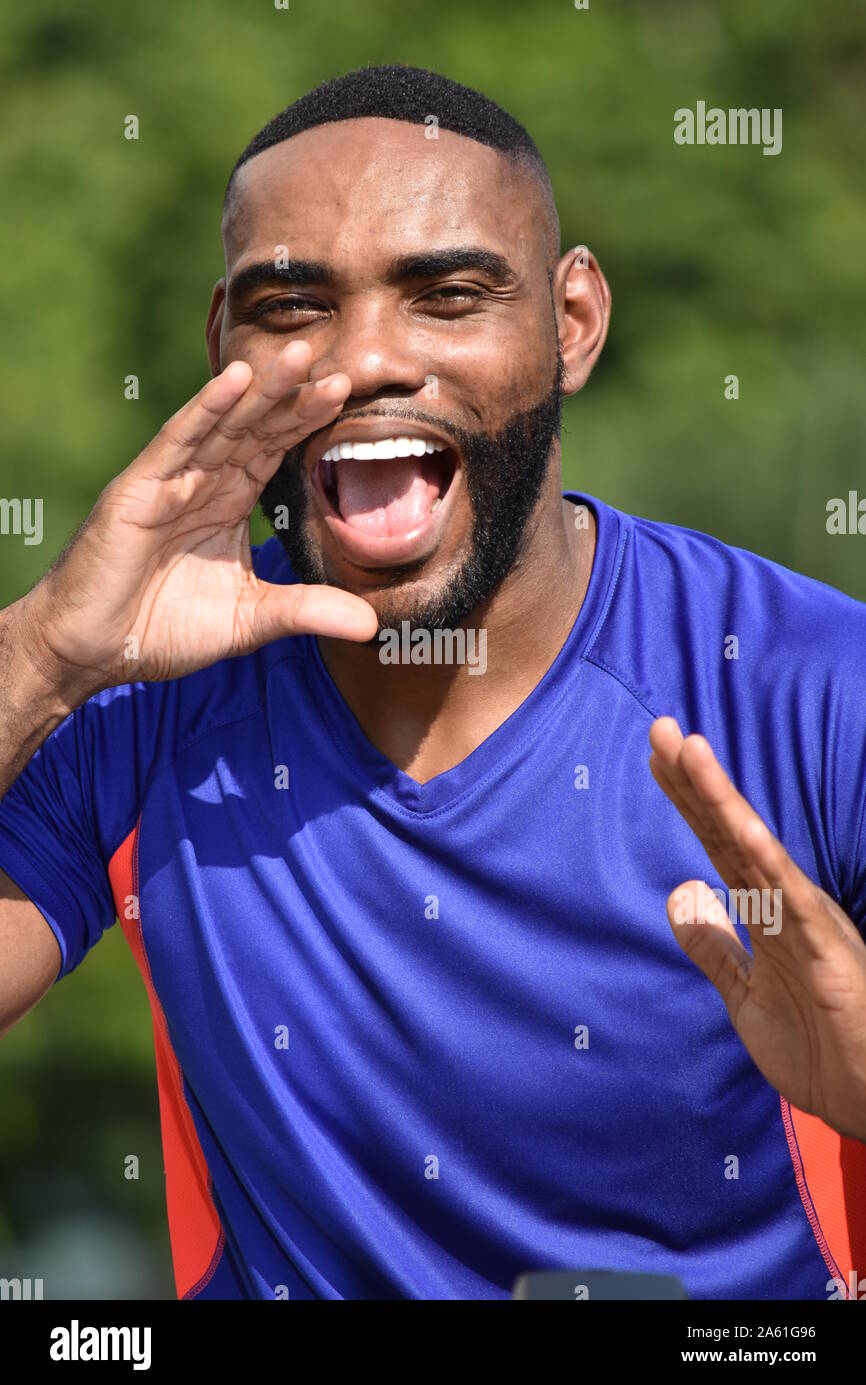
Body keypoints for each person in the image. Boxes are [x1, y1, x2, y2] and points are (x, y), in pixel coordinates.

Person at [0, 64, 864, 1302]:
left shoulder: (813, 689)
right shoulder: (134, 702)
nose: (361, 363)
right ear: (220, 344)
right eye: (292, 308)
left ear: (570, 324)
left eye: (446, 295)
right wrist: (43, 652)